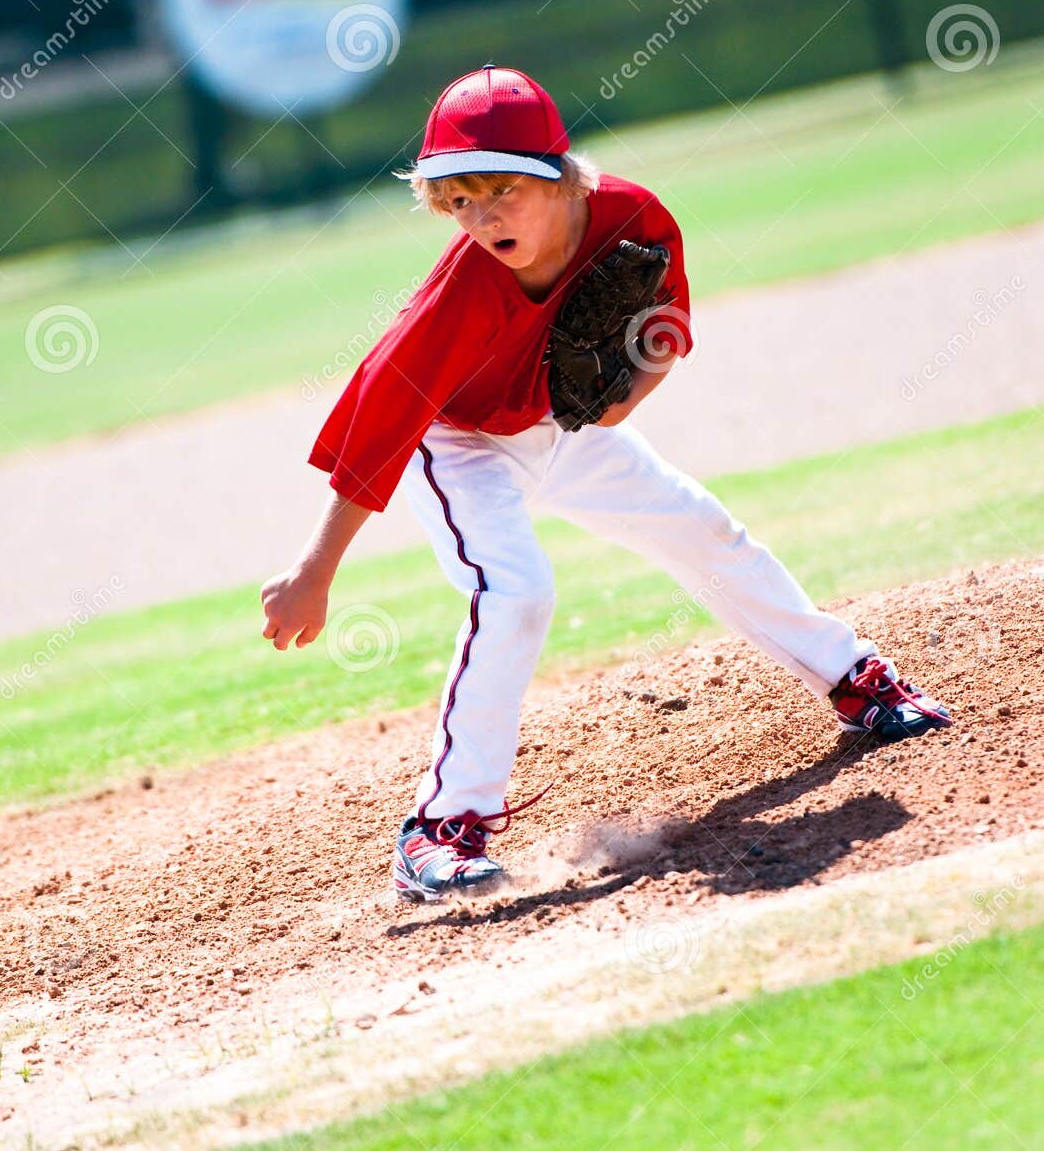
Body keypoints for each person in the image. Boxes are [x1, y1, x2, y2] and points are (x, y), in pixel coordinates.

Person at [261, 65, 949, 903]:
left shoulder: (632, 219)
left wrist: (620, 404)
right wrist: (315, 570)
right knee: (516, 593)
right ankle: (440, 828)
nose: (482, 218)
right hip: (461, 443)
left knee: (698, 527)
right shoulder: (457, 299)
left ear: (559, 174)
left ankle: (853, 680)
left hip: (563, 423)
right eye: (459, 200)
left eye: (502, 190)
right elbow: (379, 424)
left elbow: (666, 327)